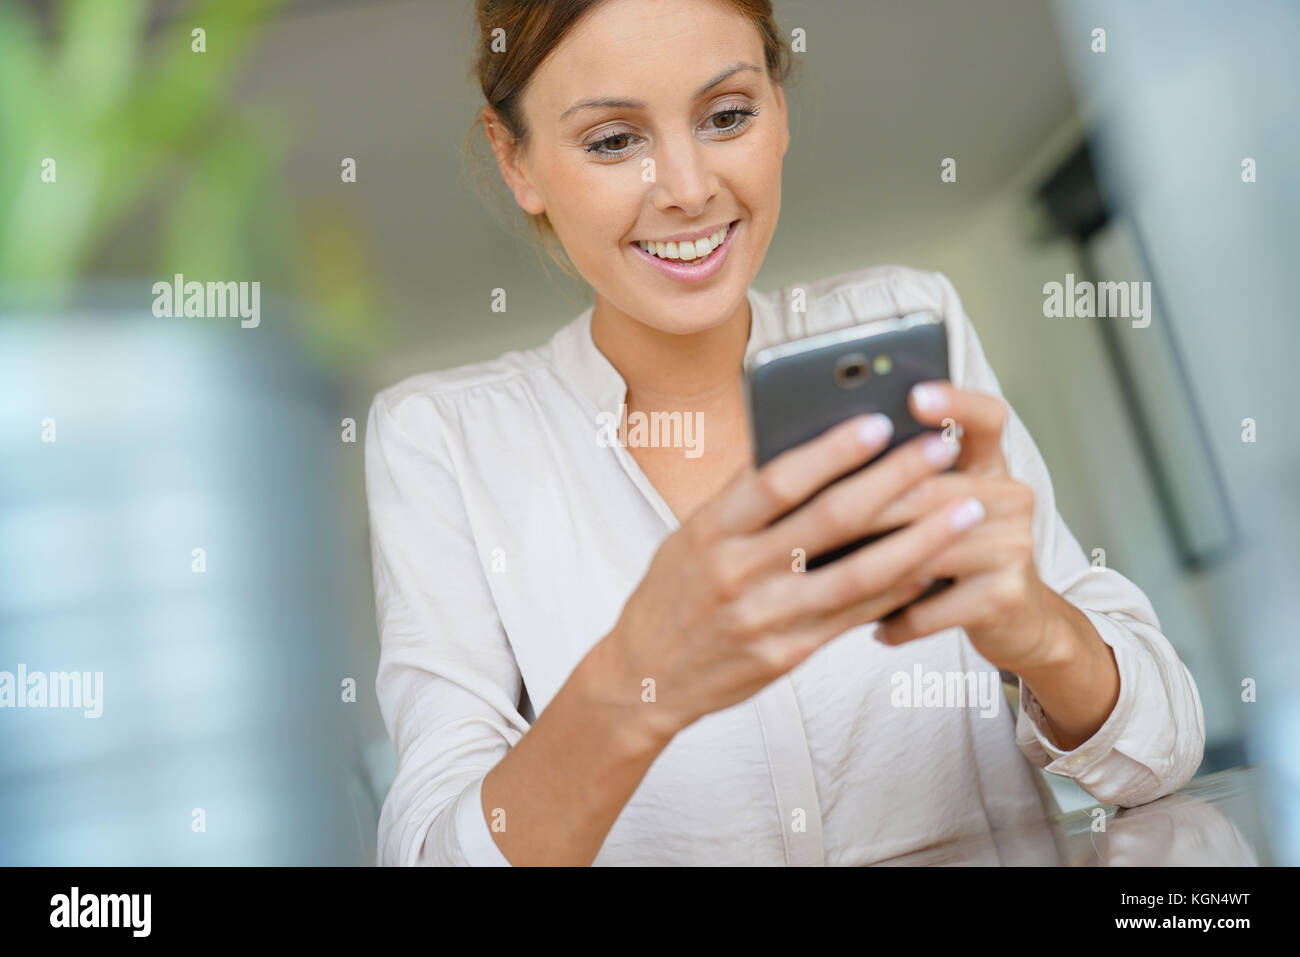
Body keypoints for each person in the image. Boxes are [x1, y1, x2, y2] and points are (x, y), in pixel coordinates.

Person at [364, 0, 1205, 866]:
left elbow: (1165, 748)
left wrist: (1031, 622)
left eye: (727, 115)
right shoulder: (440, 442)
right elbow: (430, 853)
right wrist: (637, 675)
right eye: (613, 139)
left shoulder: (910, 321)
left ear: (780, 108)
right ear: (517, 161)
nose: (688, 188)